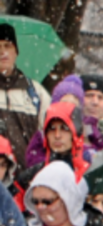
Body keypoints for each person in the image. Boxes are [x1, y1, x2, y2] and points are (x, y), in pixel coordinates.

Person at [0, 25, 49, 159]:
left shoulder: (35, 91)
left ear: (16, 51)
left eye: (7, 45)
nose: (3, 51)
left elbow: (49, 135)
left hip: (29, 175)